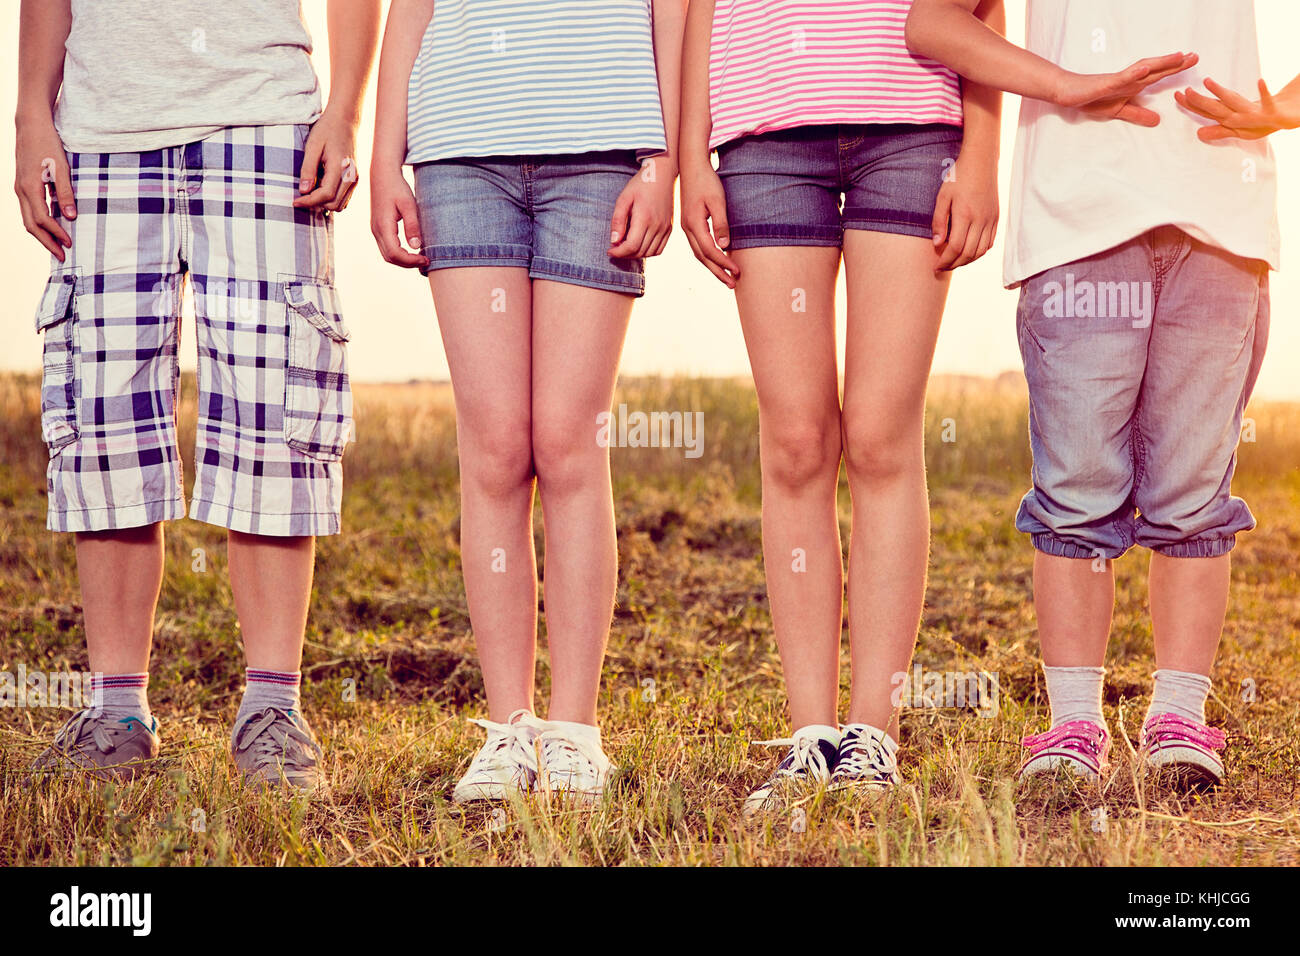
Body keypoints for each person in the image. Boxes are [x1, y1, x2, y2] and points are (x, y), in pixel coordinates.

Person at [907, 0, 1276, 788]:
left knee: (1193, 493)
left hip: (1221, 222)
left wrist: (1285, 107)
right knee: (1076, 488)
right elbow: (934, 21)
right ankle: (1073, 723)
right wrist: (1065, 85)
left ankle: (1180, 714)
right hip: (1077, 222)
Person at [15, 0, 381, 791]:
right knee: (105, 419)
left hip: (265, 118)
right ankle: (117, 714)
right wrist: (29, 118)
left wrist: (346, 113)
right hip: (103, 131)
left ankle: (272, 712)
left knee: (273, 416)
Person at [679, 0, 1002, 817]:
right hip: (763, 137)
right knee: (795, 441)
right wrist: (690, 158)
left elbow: (986, 7)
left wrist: (984, 153)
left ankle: (873, 733)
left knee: (882, 435)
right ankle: (811, 734)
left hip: (913, 127)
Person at [370, 0, 682, 802]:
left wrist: (665, 158)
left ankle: (575, 732)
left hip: (602, 148)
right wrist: (384, 158)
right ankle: (509, 729)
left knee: (571, 440)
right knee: (497, 446)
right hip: (459, 150)